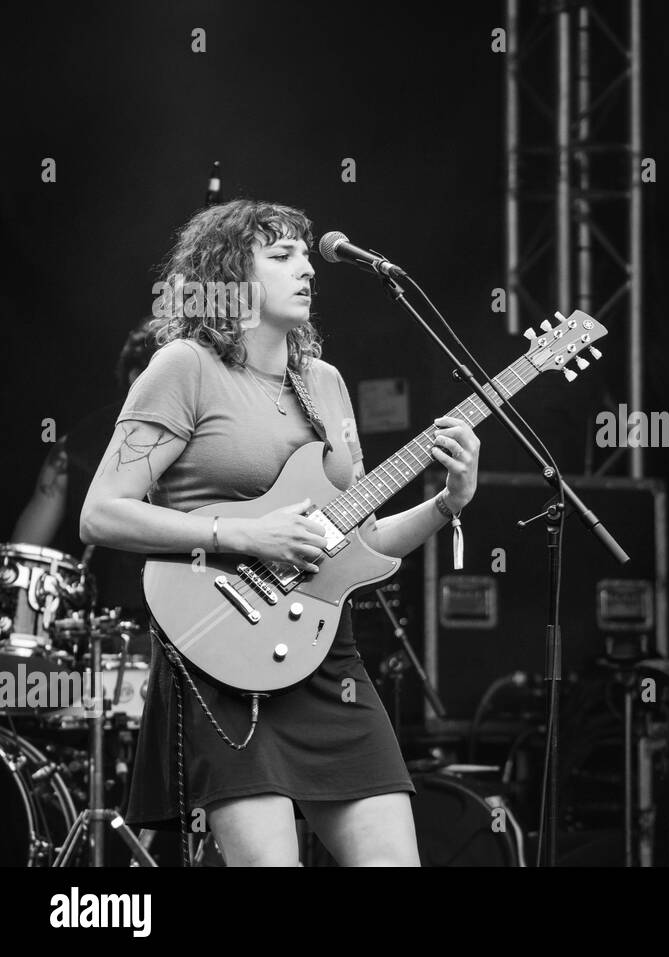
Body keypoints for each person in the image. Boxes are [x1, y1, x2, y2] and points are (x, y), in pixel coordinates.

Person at [80, 199, 480, 866]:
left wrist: (447, 502)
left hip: (327, 654)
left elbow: (362, 542)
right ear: (231, 275)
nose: (306, 269)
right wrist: (250, 535)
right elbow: (102, 512)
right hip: (221, 648)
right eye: (281, 253)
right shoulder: (183, 367)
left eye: (304, 253)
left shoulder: (324, 383)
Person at [10, 319, 159, 620]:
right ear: (135, 376)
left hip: (173, 629)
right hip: (89, 630)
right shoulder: (73, 448)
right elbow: (23, 557)